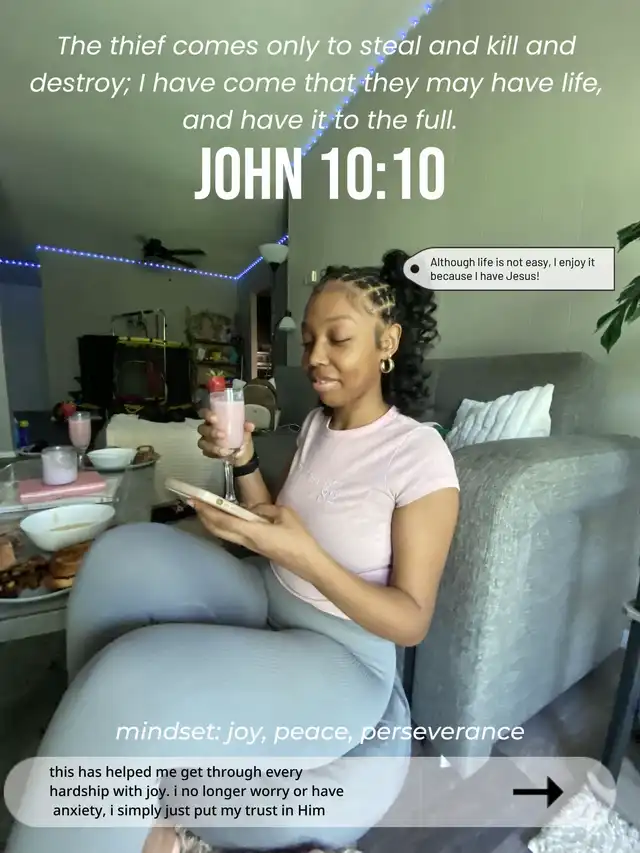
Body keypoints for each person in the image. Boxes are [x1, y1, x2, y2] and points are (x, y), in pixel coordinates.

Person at [6, 249, 459, 853]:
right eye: (310, 340)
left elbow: (411, 621)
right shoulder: (318, 426)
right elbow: (276, 518)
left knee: (137, 674)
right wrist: (242, 465)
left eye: (338, 339)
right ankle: (99, 756)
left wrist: (303, 556)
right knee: (120, 554)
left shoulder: (420, 454)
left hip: (345, 657)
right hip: (267, 595)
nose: (314, 357)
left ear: (388, 342)